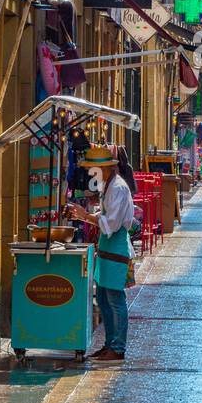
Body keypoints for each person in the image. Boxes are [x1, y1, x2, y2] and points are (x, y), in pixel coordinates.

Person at [66, 147, 134, 362]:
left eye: (95, 167)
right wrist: (86, 216)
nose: (91, 172)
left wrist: (86, 216)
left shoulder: (119, 188)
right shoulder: (110, 186)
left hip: (116, 248)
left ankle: (118, 347)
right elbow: (105, 216)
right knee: (104, 298)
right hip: (107, 249)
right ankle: (109, 344)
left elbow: (111, 224)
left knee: (115, 299)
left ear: (106, 167)